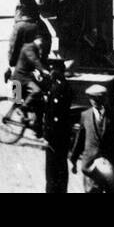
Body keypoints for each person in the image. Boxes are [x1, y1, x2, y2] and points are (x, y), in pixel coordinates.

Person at [70, 84, 114, 193]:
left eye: (99, 98)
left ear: (104, 98)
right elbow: (79, 139)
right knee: (92, 190)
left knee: (113, 189)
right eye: (92, 98)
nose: (95, 101)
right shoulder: (85, 115)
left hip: (111, 161)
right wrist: (73, 160)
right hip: (91, 164)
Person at [41, 54, 74, 194]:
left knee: (54, 170)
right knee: (55, 170)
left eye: (53, 68)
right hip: (58, 135)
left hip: (57, 136)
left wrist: (47, 136)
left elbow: (55, 116)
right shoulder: (55, 84)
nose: (51, 71)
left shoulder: (59, 87)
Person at [12, 31, 52, 127]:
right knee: (37, 91)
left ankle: (36, 124)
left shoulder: (36, 48)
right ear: (36, 40)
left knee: (39, 98)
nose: (42, 43)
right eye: (41, 40)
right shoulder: (29, 48)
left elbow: (37, 62)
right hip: (20, 78)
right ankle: (23, 108)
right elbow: (34, 60)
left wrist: (44, 71)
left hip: (26, 76)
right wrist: (43, 70)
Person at [7, 0, 52, 72]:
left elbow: (13, 47)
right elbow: (48, 41)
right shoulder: (41, 24)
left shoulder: (19, 27)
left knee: (16, 81)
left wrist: (11, 63)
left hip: (24, 65)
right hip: (40, 62)